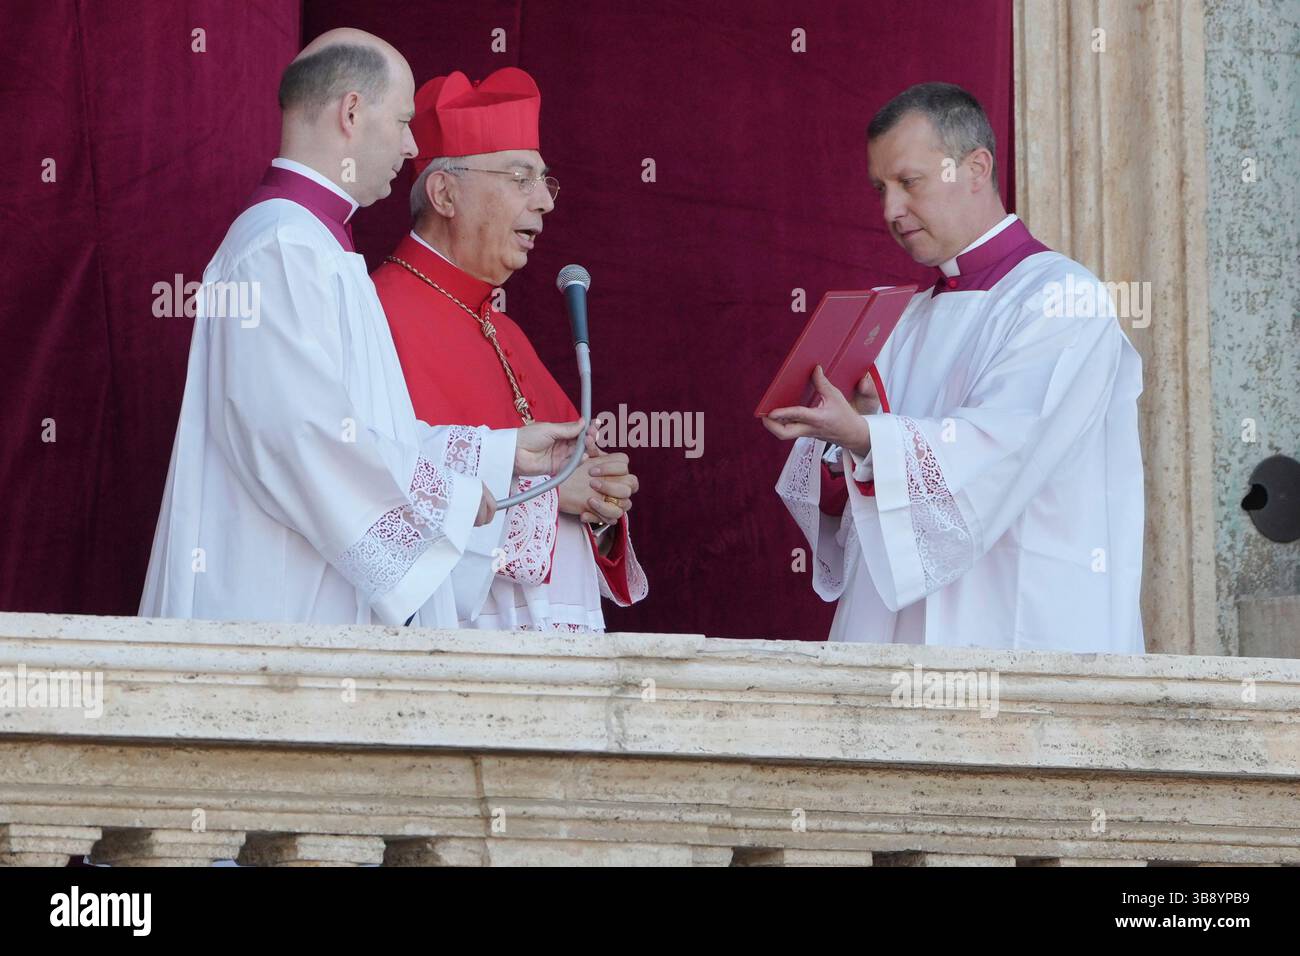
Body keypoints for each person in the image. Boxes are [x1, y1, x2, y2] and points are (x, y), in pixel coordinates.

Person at [140, 30, 583, 627]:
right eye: (402, 121)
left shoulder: (314, 245)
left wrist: (499, 454)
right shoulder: (281, 246)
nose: (408, 147)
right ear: (351, 112)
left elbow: (361, 429)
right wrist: (450, 500)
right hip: (278, 608)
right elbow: (300, 440)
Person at [765, 82, 1144, 653]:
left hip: (1019, 621)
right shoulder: (902, 318)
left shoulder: (1063, 298)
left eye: (908, 182)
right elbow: (858, 505)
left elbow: (1002, 449)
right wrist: (841, 444)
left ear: (976, 167)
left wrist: (869, 438)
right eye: (880, 189)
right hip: (897, 637)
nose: (891, 210)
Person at [372, 68, 647, 632]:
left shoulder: (505, 329)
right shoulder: (376, 314)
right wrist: (551, 496)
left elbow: (565, 492)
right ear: (445, 193)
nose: (545, 200)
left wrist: (599, 503)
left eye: (546, 180)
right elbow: (378, 491)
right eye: (521, 177)